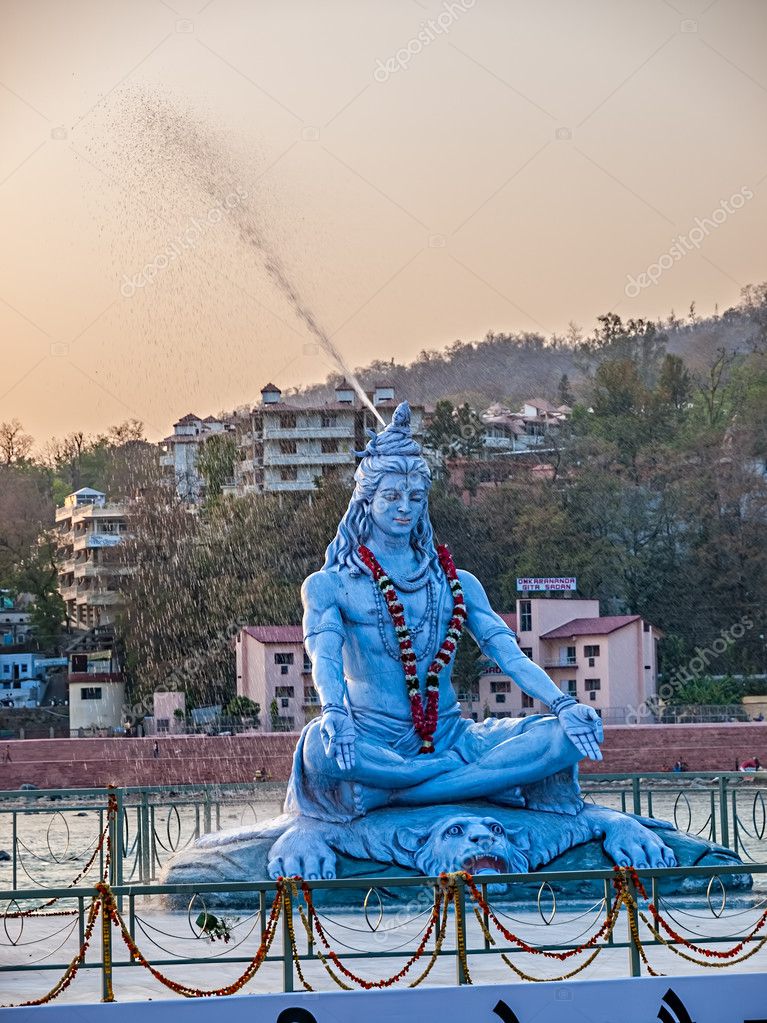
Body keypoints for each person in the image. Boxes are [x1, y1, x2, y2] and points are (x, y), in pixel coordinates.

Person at [287, 402, 603, 824]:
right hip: (371, 738)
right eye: (392, 496)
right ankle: (466, 782)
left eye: (416, 497)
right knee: (320, 751)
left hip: (450, 736)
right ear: (366, 500)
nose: (405, 508)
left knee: (567, 736)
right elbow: (324, 659)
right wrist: (334, 713)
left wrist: (563, 704)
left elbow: (508, 655)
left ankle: (402, 793)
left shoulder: (456, 582)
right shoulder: (331, 584)